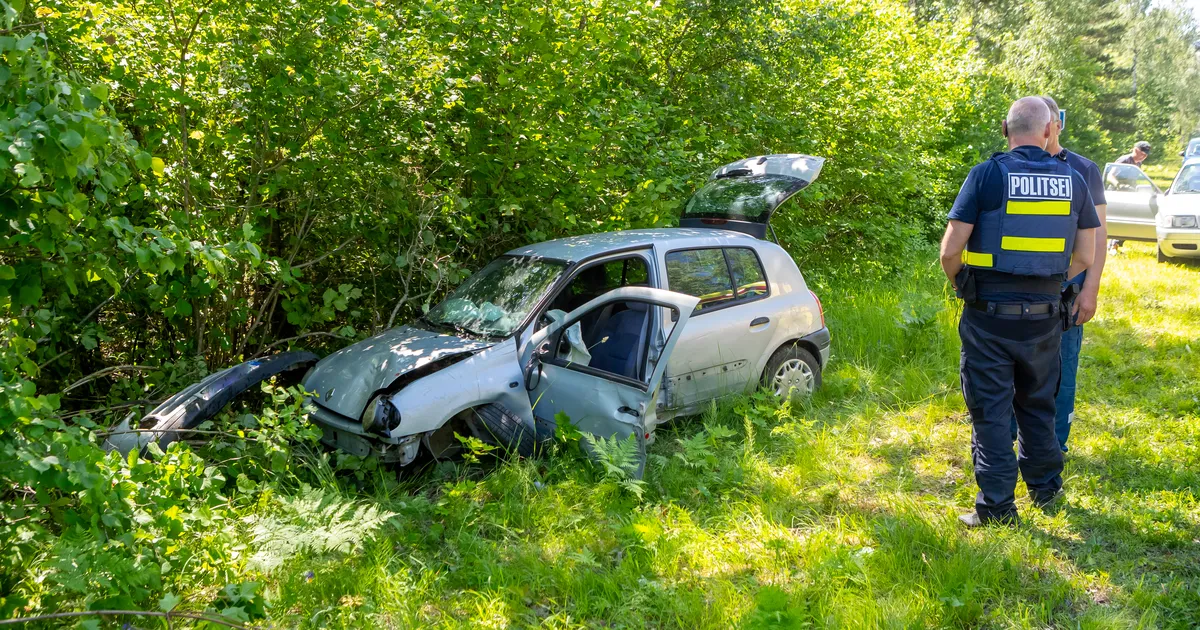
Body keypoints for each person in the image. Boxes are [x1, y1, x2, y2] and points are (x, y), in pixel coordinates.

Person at [940, 96, 1099, 527]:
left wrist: (963, 285)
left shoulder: (987, 176)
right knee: (1038, 405)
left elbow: (950, 250)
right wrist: (1049, 278)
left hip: (988, 316)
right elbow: (1087, 254)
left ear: (1005, 130)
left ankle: (995, 506)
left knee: (991, 411)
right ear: (1049, 131)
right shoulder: (1074, 180)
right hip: (1046, 317)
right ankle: (1046, 489)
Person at [1005, 96, 1108, 452]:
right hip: (1018, 288)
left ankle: (1053, 446)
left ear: (1055, 125)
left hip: (1067, 287)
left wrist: (1090, 288)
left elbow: (1099, 236)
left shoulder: (1083, 169)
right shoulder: (1009, 167)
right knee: (1015, 367)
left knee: (1061, 367)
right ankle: (1013, 439)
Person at [1108, 141, 1150, 253]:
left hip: (1129, 194)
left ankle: (1116, 245)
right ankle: (1112, 247)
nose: (1144, 157)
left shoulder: (1138, 164)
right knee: (1118, 220)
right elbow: (1110, 175)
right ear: (1136, 150)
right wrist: (1119, 185)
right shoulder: (1124, 160)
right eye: (1143, 154)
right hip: (1117, 193)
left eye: (1146, 155)